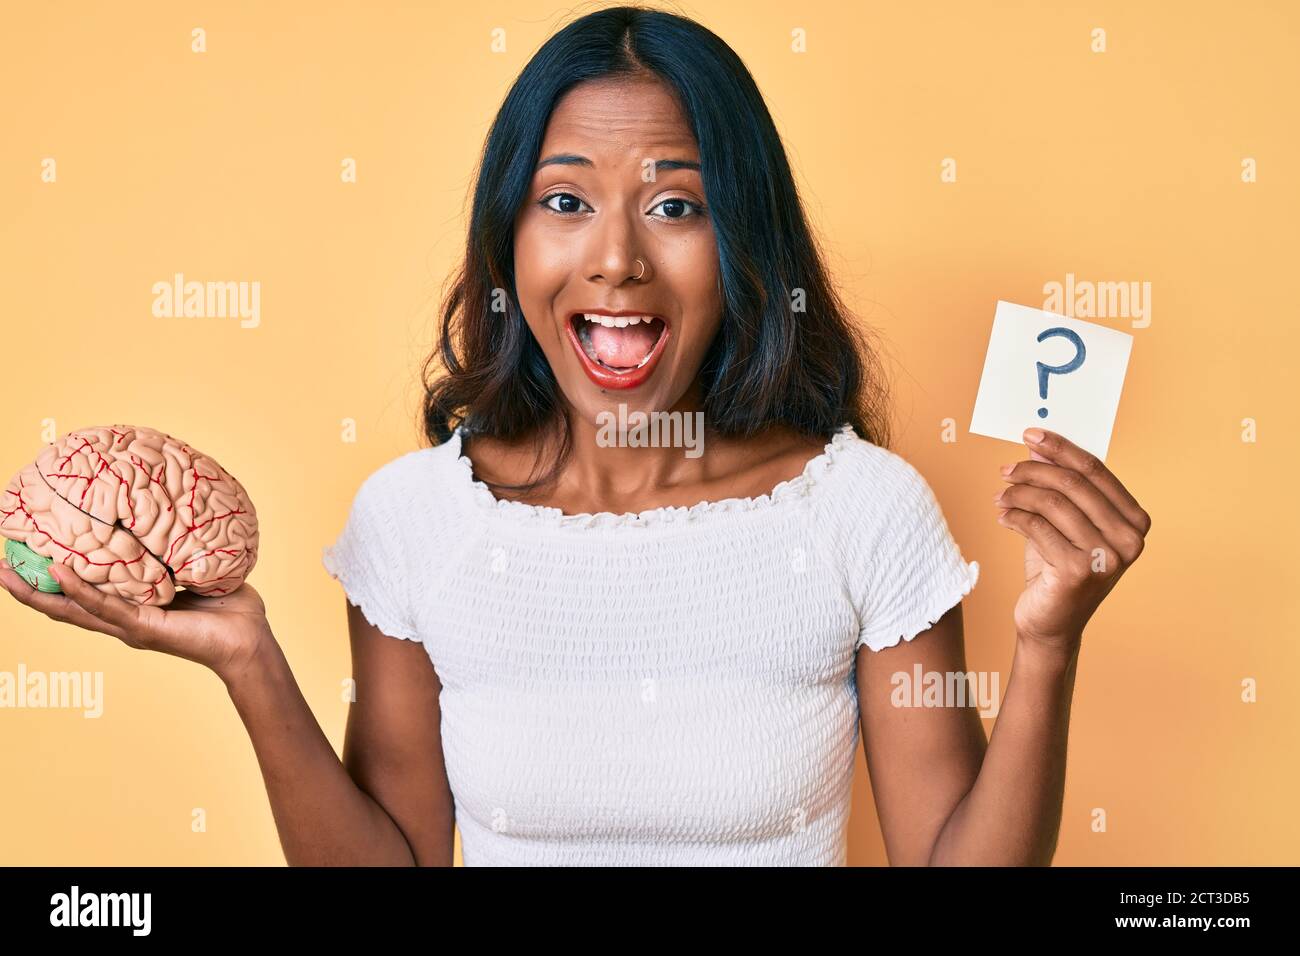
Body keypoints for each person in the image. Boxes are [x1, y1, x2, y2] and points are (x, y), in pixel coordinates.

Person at [0, 5, 1149, 866]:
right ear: (509, 244)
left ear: (743, 244)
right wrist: (249, 661)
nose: (615, 257)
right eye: (564, 200)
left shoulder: (863, 509)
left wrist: (1047, 645)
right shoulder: (413, 521)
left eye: (674, 203)